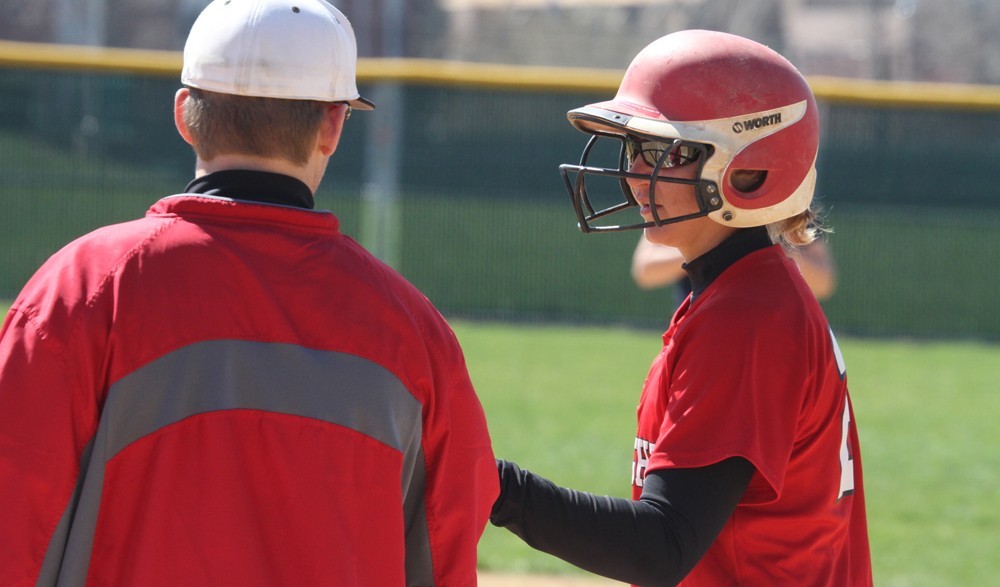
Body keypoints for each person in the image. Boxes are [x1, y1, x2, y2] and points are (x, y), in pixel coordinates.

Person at [0, 0, 497, 585]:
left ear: (185, 115)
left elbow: (14, 522)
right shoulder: (415, 331)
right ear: (333, 126)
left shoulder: (84, 288)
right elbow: (446, 552)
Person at [492, 30, 871, 586]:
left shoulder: (745, 317)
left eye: (664, 151)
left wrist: (494, 485)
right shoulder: (742, 292)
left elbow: (661, 547)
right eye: (634, 148)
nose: (634, 172)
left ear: (749, 169)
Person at [631, 234, 837, 306]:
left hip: (771, 335)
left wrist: (780, 251)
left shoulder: (792, 205)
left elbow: (824, 285)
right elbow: (645, 271)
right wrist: (710, 249)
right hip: (699, 330)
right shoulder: (686, 197)